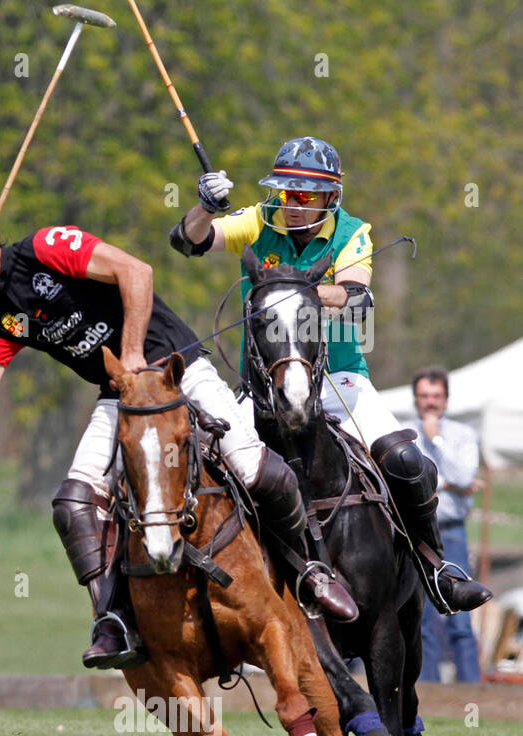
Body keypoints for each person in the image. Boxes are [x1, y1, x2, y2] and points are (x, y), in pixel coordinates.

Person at [0, 211, 357, 668]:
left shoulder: (45, 247)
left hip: (174, 365)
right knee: (74, 503)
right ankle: (113, 618)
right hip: (120, 393)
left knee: (253, 467)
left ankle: (312, 571)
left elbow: (135, 271)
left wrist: (132, 353)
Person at [170, 136, 491, 617]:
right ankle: (193, 587)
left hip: (339, 382)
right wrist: (204, 207)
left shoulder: (352, 232)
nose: (292, 205)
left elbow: (357, 298)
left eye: (304, 196)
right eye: (284, 192)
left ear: (330, 198)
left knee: (407, 460)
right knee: (203, 466)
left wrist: (296, 293)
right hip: (263, 391)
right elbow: (188, 241)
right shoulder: (259, 220)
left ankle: (435, 569)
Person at [412, 367, 482, 682]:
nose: (430, 402)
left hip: (451, 531)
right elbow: (410, 483)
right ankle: (429, 693)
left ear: (446, 399)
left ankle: (473, 692)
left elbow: (466, 477)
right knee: (421, 617)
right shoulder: (403, 432)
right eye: (425, 396)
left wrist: (435, 439)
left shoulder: (462, 435)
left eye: (436, 396)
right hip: (416, 534)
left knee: (461, 616)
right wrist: (450, 483)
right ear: (415, 399)